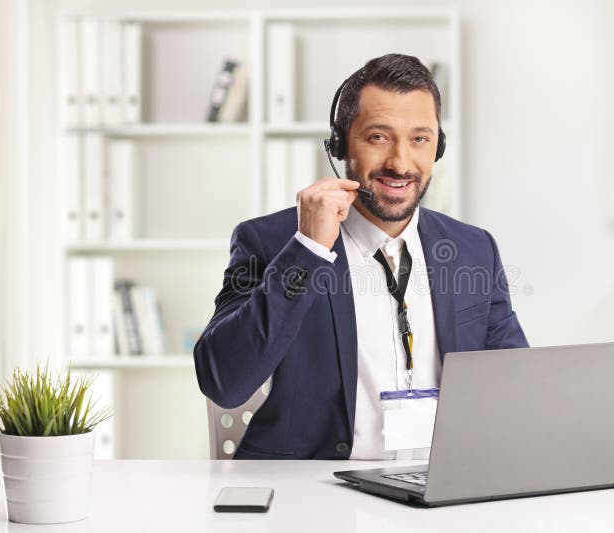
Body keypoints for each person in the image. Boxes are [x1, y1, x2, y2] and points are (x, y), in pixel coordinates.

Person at [194, 53, 528, 460]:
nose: (400, 163)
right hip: (315, 495)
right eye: (378, 137)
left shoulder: (474, 250)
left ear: (438, 146)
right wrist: (308, 250)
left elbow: (517, 389)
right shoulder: (271, 241)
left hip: (438, 492)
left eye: (419, 139)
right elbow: (223, 381)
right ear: (339, 146)